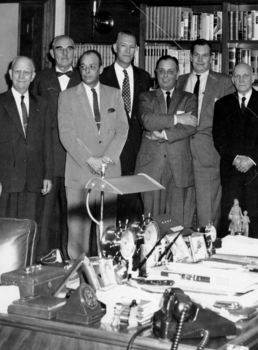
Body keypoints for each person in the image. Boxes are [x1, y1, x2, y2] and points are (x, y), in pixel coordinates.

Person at [58, 51, 129, 258]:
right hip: (79, 171)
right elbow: (66, 134)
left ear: (100, 68)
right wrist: (90, 159)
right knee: (78, 231)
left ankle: (106, 277)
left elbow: (122, 129)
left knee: (107, 230)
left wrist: (107, 158)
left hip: (109, 172)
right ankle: (79, 279)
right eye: (83, 67)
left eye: (92, 66)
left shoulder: (114, 94)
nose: (87, 71)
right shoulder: (67, 96)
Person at [0, 56, 53, 236]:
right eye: (18, 71)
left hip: (34, 181)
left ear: (33, 76)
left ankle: (28, 265)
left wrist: (48, 175)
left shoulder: (43, 105)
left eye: (26, 72)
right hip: (4, 182)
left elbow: (47, 142)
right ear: (10, 74)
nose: (22, 76)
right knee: (4, 233)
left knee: (29, 233)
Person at [213, 62, 258, 238]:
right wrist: (235, 159)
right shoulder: (222, 104)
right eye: (237, 76)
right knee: (231, 227)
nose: (241, 80)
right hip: (232, 174)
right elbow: (219, 138)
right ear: (232, 80)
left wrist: (251, 159)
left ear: (253, 78)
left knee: (257, 227)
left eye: (246, 76)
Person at [177, 39, 234, 227]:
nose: (200, 59)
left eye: (205, 55)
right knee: (182, 210)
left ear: (212, 58)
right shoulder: (179, 81)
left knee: (207, 213)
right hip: (181, 154)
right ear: (190, 57)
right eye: (197, 55)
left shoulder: (224, 82)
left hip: (209, 155)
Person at [135, 55, 198, 227]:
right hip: (152, 168)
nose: (165, 76)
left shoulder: (189, 98)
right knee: (151, 225)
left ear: (177, 74)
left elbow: (190, 126)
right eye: (161, 71)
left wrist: (162, 135)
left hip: (179, 168)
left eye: (170, 72)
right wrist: (178, 119)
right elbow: (147, 120)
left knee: (178, 225)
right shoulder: (146, 97)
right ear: (156, 73)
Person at [34, 35, 81, 257]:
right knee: (44, 215)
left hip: (76, 159)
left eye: (69, 49)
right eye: (59, 49)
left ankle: (71, 264)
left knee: (72, 216)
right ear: (51, 53)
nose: (64, 53)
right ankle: (44, 261)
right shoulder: (39, 79)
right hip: (48, 158)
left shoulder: (85, 77)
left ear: (75, 52)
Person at [100, 31, 151, 223]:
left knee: (134, 203)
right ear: (114, 47)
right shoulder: (102, 76)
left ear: (136, 49)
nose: (128, 50)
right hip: (110, 149)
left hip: (138, 149)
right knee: (111, 205)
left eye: (132, 47)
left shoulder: (144, 77)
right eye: (123, 46)